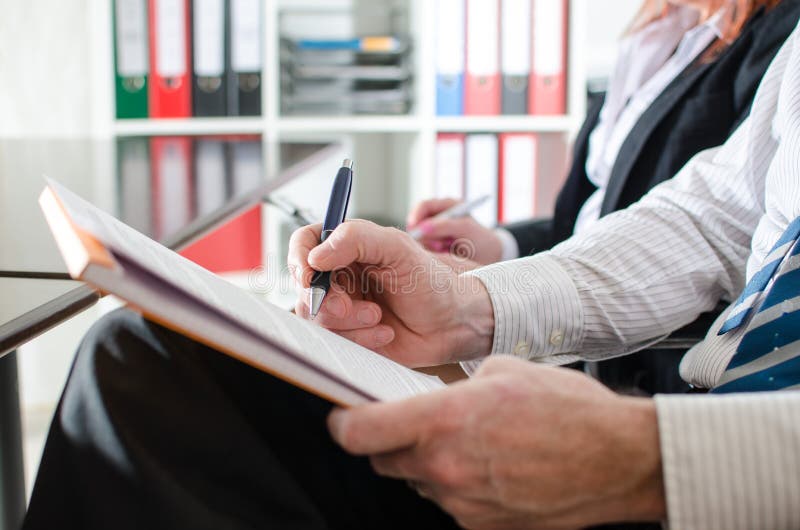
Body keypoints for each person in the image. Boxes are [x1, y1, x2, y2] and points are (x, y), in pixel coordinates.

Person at [23, 16, 800, 528]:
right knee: (146, 354)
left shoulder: (765, 34)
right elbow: (711, 218)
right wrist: (462, 305)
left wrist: (647, 458)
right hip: (657, 432)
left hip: (708, 472)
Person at [411, 0, 797, 395]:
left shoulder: (775, 31)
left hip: (655, 376)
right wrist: (494, 264)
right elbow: (705, 218)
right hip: (604, 360)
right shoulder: (656, 36)